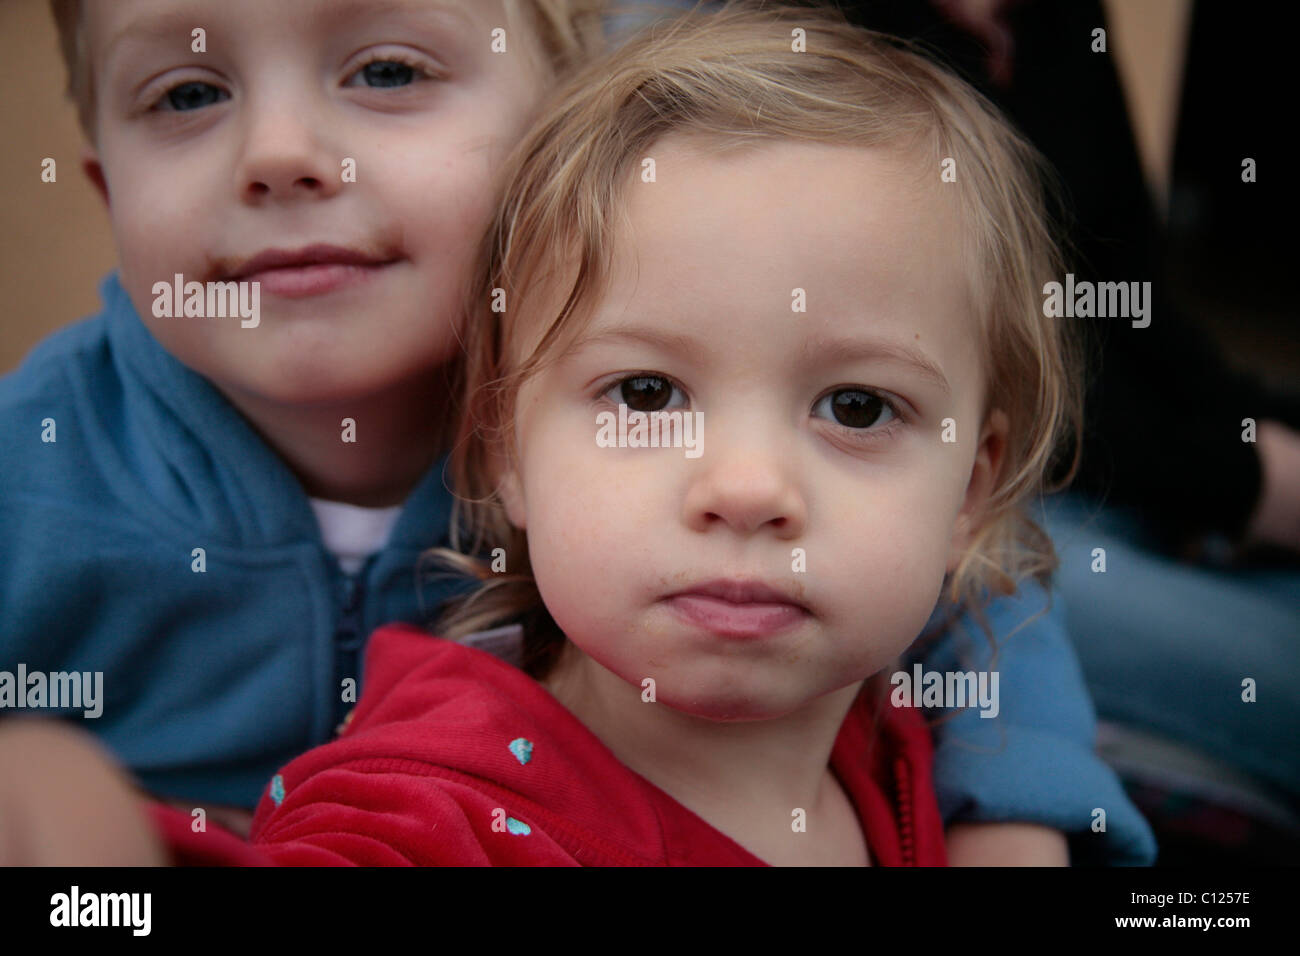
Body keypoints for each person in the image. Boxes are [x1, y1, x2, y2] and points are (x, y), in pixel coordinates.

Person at [2, 2, 1132, 865]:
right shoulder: (29, 467)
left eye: (387, 72)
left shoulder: (621, 356)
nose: (279, 152)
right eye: (188, 94)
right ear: (104, 184)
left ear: (553, 111)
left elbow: (982, 594)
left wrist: (1018, 817)